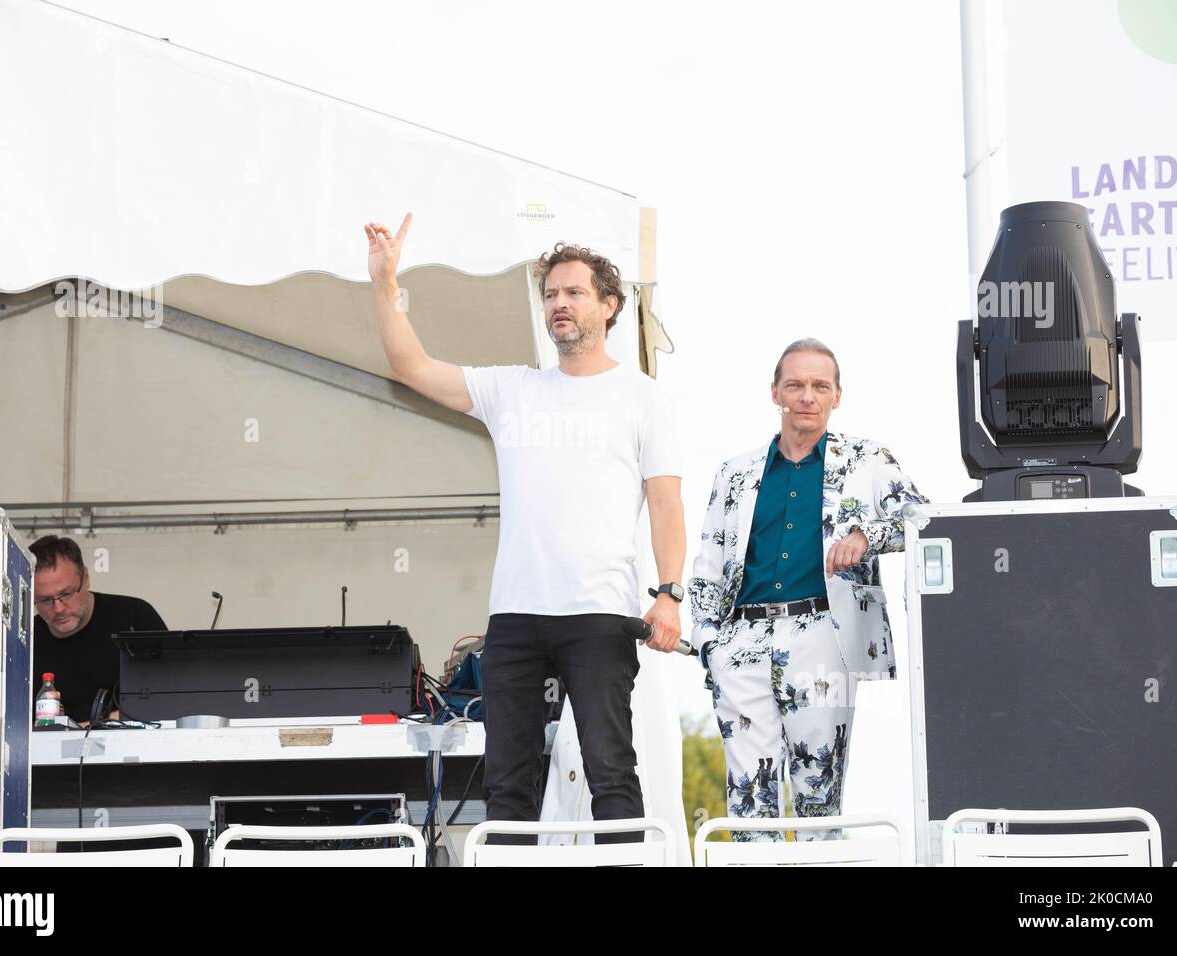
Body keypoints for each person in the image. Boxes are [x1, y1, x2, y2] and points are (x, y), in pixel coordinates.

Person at [364, 214, 685, 841]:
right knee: (508, 783)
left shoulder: (642, 397)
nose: (558, 304)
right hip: (516, 615)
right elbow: (411, 366)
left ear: (610, 305)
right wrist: (384, 282)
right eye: (550, 294)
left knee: (611, 774)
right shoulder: (511, 389)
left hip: (600, 613)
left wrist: (669, 593)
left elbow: (666, 503)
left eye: (574, 292)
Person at [688, 338, 927, 838]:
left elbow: (923, 519)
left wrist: (868, 535)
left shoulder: (867, 460)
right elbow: (708, 562)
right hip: (741, 642)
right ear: (775, 392)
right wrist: (711, 644)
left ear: (837, 396)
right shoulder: (735, 473)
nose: (806, 396)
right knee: (750, 804)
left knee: (819, 797)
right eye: (794, 385)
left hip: (824, 637)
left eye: (820, 386)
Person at [30, 535, 166, 725]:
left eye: (66, 594)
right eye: (45, 600)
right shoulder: (24, 639)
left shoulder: (134, 618)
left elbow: (166, 697)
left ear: (86, 578)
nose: (58, 608)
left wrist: (83, 728)